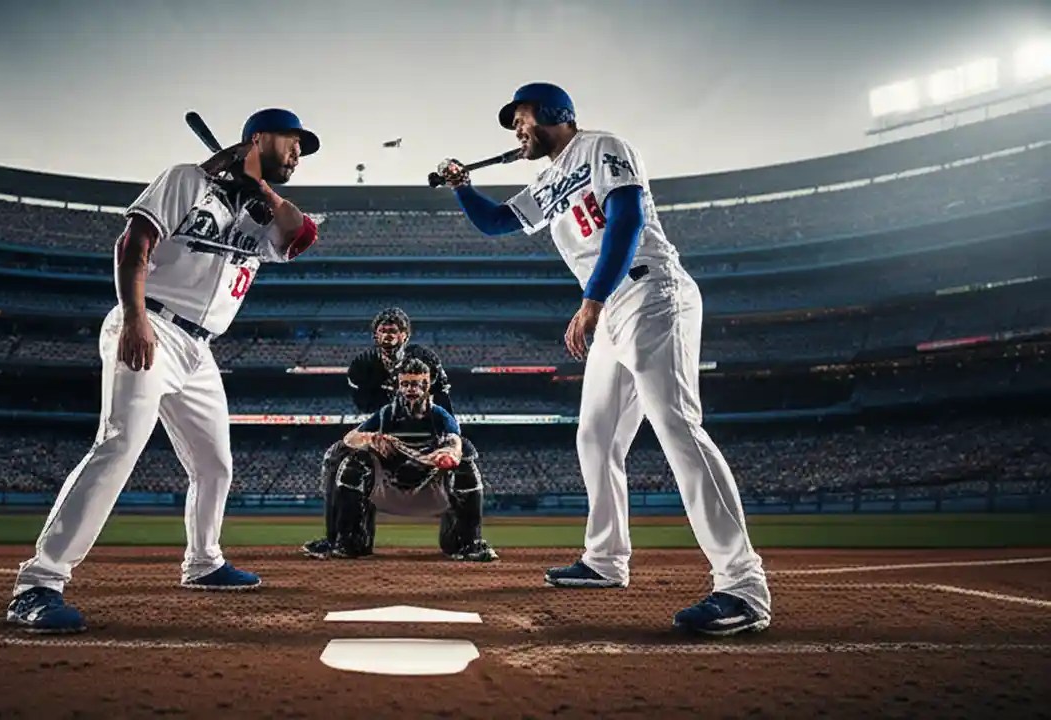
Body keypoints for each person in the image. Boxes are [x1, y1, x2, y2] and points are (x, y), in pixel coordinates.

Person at [435, 83, 770, 636]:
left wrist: (590, 301)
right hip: (611, 304)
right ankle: (605, 560)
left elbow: (627, 220)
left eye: (521, 120)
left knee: (678, 428)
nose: (517, 132)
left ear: (554, 114)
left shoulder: (601, 145)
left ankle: (742, 585)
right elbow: (497, 222)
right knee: (595, 436)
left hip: (649, 290)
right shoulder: (544, 180)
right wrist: (464, 188)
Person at [5, 108, 322, 633]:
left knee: (215, 463)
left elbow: (302, 236)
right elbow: (133, 246)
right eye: (293, 142)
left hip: (200, 350)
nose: (298, 154)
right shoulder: (186, 180)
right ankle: (39, 582)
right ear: (259, 138)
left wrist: (260, 191)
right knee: (121, 442)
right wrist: (133, 317)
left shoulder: (265, 213)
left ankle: (203, 562)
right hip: (150, 323)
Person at [300, 307, 483, 558]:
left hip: (427, 428)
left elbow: (444, 405)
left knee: (466, 454)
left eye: (393, 331)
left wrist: (445, 440)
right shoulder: (363, 365)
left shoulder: (425, 359)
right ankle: (339, 538)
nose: (388, 337)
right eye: (383, 331)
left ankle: (466, 539)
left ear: (405, 335)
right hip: (383, 426)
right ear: (375, 335)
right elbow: (365, 408)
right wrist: (376, 436)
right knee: (335, 456)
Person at [330, 358, 497, 561]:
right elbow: (349, 438)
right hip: (389, 487)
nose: (412, 389)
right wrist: (371, 439)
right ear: (398, 386)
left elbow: (455, 443)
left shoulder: (440, 417)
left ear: (428, 385)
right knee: (354, 462)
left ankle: (469, 542)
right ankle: (350, 540)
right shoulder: (386, 415)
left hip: (431, 487)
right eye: (406, 384)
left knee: (466, 464)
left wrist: (448, 454)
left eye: (418, 384)